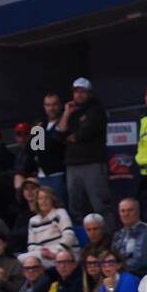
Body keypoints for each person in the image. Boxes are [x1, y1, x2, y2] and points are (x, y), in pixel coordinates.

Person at [54, 77, 111, 220]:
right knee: (75, 205)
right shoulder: (39, 124)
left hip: (81, 165)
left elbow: (83, 134)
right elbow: (56, 137)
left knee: (98, 203)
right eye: (76, 91)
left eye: (82, 91)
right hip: (63, 167)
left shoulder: (95, 109)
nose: (78, 95)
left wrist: (69, 137)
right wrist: (66, 113)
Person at [27, 186, 78, 269]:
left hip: (63, 253)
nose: (43, 201)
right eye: (40, 198)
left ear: (52, 200)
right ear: (37, 201)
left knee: (33, 265)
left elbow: (69, 235)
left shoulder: (60, 213)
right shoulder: (33, 220)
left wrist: (55, 252)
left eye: (46, 198)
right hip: (43, 255)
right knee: (22, 259)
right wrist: (43, 252)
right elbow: (31, 246)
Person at [112, 198, 147, 277]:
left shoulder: (146, 232)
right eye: (123, 211)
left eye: (130, 210)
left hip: (141, 276)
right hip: (120, 274)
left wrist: (118, 268)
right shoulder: (118, 234)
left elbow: (140, 261)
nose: (126, 214)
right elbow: (112, 256)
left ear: (138, 212)